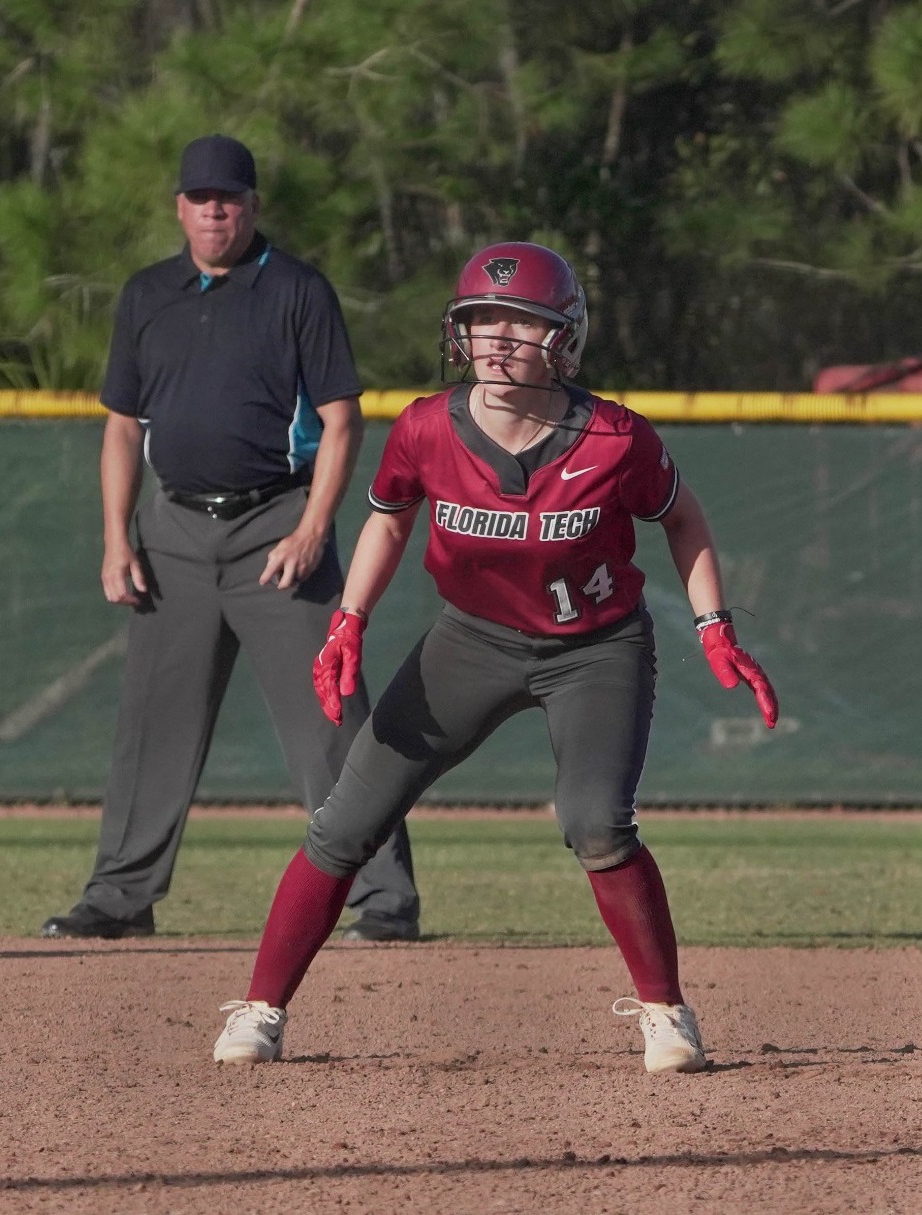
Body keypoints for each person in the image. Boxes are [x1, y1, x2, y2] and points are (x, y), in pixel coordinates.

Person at [212, 241, 777, 1073]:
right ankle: (261, 1007)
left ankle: (666, 1012)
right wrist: (348, 618)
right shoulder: (426, 426)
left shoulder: (614, 436)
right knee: (345, 819)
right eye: (481, 319)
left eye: (520, 321)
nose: (496, 338)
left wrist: (713, 624)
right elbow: (390, 519)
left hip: (594, 647)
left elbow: (682, 518)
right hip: (471, 639)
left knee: (594, 821)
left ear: (563, 337)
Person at [40, 134, 419, 942]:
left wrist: (313, 527)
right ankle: (119, 897)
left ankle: (384, 899)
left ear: (251, 205)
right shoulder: (148, 294)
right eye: (201, 198)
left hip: (276, 528)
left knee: (331, 715)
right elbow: (121, 426)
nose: (215, 210)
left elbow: (342, 420)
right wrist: (116, 539)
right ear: (179, 207)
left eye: (230, 198)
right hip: (172, 531)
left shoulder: (296, 290)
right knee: (152, 723)